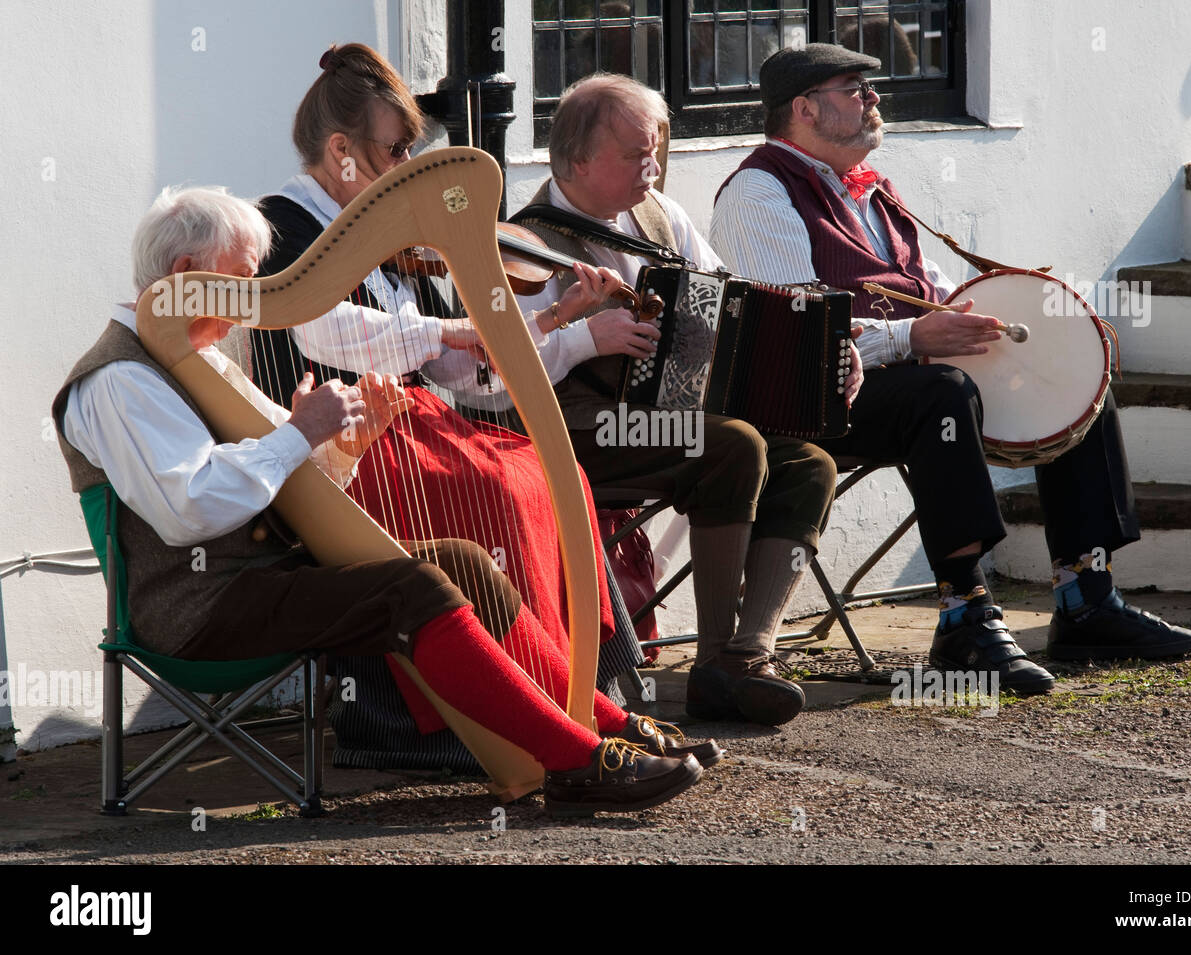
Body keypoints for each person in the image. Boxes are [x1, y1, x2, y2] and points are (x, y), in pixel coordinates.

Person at [52, 185, 718, 816]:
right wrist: (299, 431)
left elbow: (294, 484)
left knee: (459, 559)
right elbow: (190, 509)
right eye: (242, 279)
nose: (253, 299)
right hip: (199, 610)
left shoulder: (201, 361)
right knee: (410, 590)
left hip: (262, 578)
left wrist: (346, 446)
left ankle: (609, 724)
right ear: (185, 272)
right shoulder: (121, 380)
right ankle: (578, 762)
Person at [710, 43, 1191, 694]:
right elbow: (793, 335)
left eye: (870, 86)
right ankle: (964, 613)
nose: (873, 97)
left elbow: (935, 289)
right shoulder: (759, 190)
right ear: (803, 108)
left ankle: (1086, 596)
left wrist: (1008, 324)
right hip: (809, 400)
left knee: (1077, 370)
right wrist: (913, 335)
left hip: (902, 381)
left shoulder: (875, 191)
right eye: (853, 87)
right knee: (938, 392)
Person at [249, 45, 653, 748]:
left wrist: (552, 319)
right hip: (342, 444)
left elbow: (460, 372)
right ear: (341, 148)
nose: (407, 166)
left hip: (419, 425)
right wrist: (445, 328)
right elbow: (321, 332)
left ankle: (580, 689)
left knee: (546, 473)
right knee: (496, 486)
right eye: (396, 149)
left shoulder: (395, 242)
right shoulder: (279, 224)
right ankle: (484, 716)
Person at [502, 74, 840, 727]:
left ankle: (750, 650)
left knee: (807, 462)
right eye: (634, 153)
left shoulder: (663, 217)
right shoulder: (522, 245)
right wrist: (581, 338)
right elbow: (493, 375)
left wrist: (821, 361)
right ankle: (714, 661)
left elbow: (731, 306)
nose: (652, 165)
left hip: (668, 418)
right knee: (732, 447)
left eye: (658, 148)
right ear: (577, 160)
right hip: (570, 432)